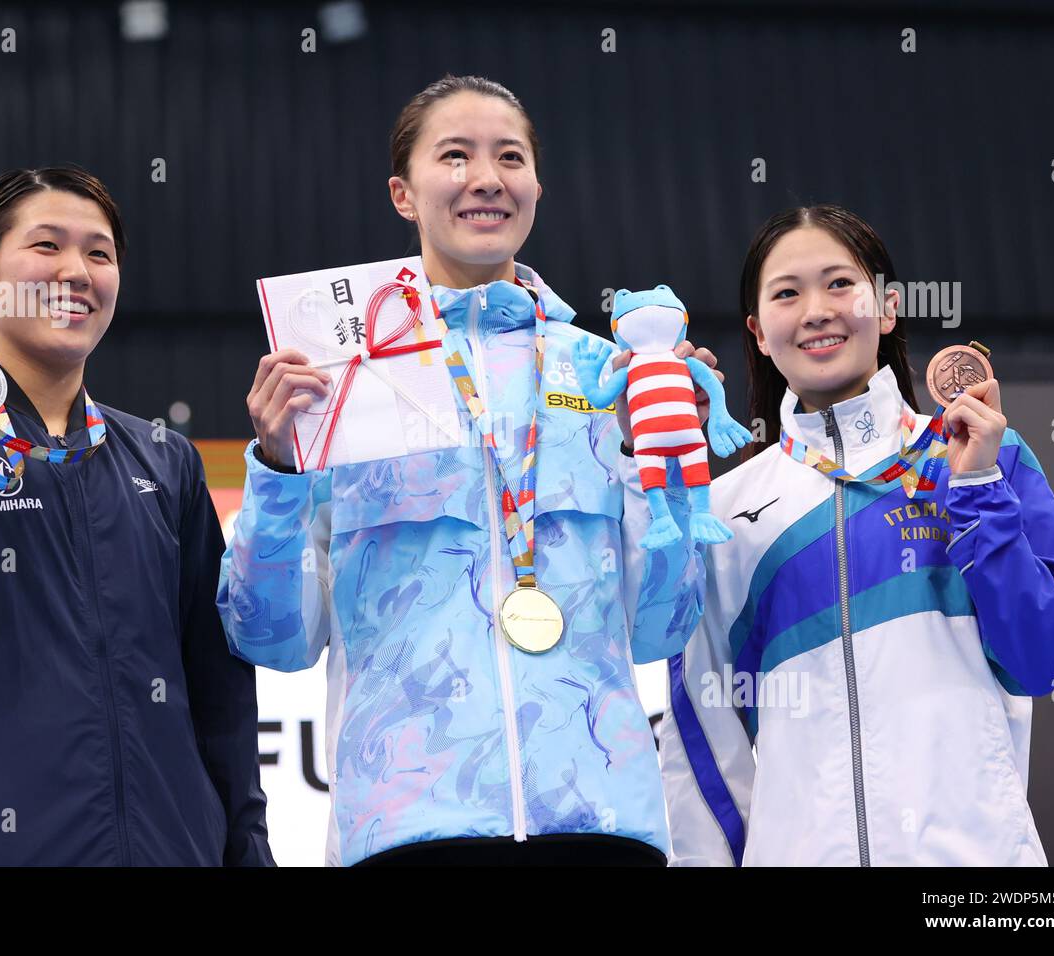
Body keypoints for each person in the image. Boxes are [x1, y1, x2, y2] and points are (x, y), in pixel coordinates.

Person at [219, 75, 724, 866]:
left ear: (535, 188)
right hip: (405, 835)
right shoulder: (337, 379)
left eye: (509, 158)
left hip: (601, 827)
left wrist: (648, 460)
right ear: (403, 193)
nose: (486, 179)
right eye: (454, 156)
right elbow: (271, 639)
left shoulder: (609, 377)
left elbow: (663, 626)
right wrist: (278, 468)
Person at [0, 165, 274, 866]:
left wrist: (247, 846)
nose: (77, 271)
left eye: (99, 254)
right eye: (46, 247)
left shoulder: (164, 459)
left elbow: (218, 689)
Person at [657, 204, 1054, 866]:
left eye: (840, 283)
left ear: (887, 307)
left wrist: (977, 491)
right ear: (757, 331)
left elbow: (1043, 657)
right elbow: (701, 743)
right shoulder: (725, 515)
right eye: (787, 293)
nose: (816, 310)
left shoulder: (983, 457)